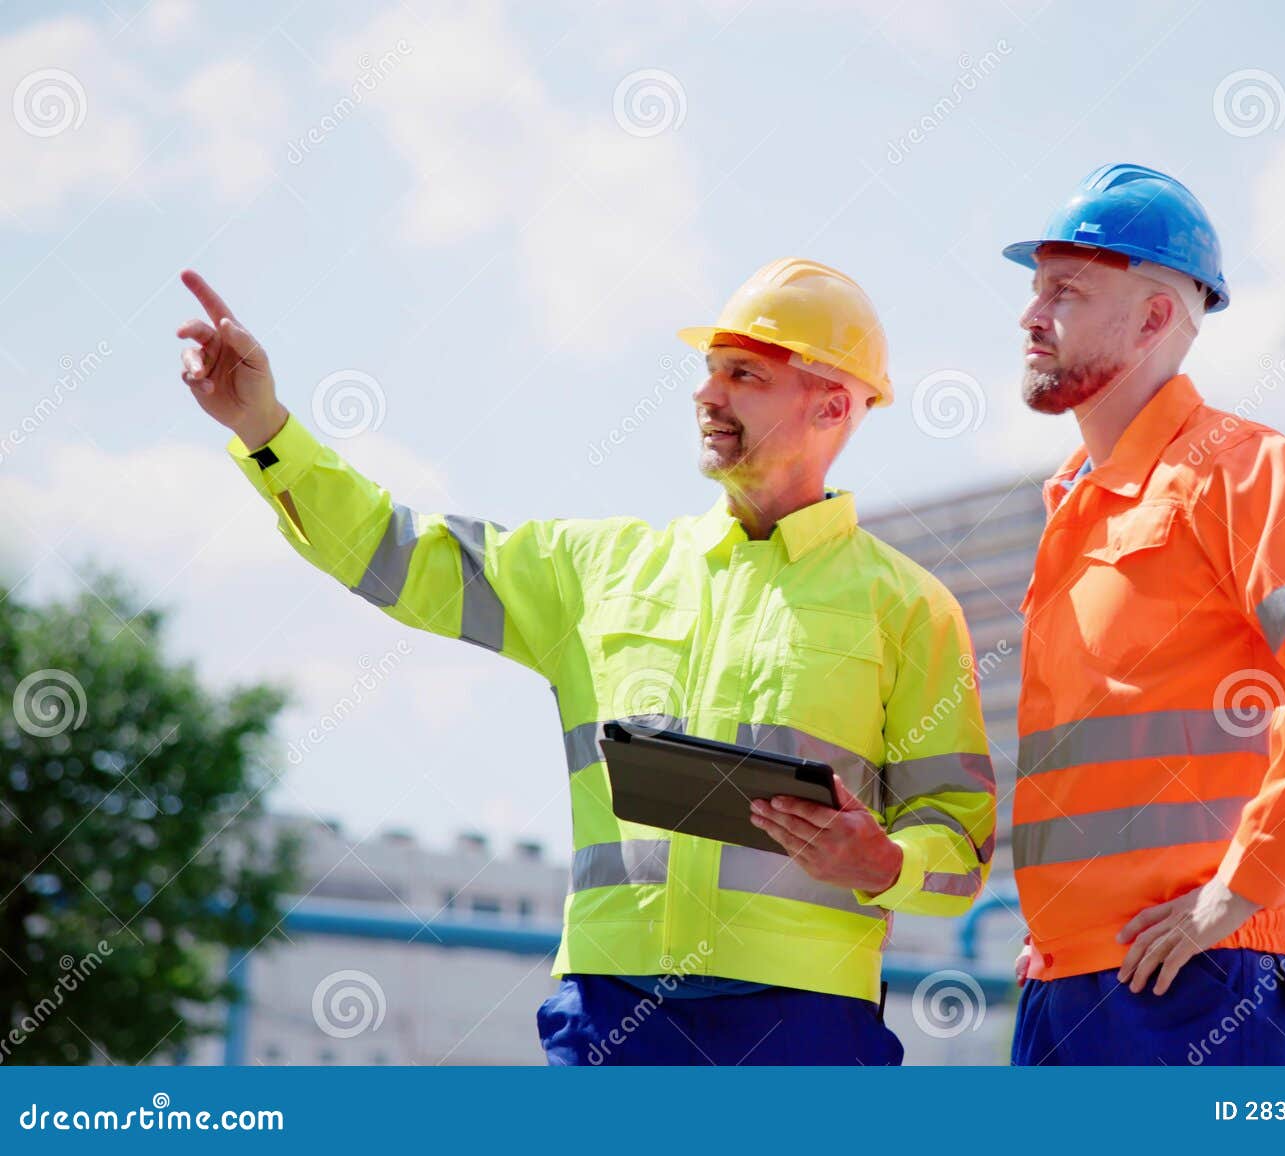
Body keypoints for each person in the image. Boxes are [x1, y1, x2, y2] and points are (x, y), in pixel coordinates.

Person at [174, 258, 995, 1065]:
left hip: (804, 1025)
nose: (707, 394)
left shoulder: (908, 609)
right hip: (611, 1010)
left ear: (833, 405)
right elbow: (396, 555)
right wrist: (266, 431)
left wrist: (886, 863)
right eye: (710, 370)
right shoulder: (596, 571)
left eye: (744, 374)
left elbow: (959, 839)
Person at [1002, 164, 1285, 1065]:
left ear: (1155, 318)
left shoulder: (1238, 468)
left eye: (1065, 292)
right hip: (1067, 983)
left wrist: (1246, 884)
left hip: (1194, 986)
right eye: (1035, 290)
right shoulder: (1075, 508)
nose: (1031, 317)